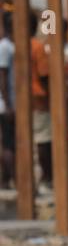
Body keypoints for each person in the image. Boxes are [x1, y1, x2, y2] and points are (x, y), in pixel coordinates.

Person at [30, 11, 52, 191]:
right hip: (39, 98)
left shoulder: (12, 45)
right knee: (43, 140)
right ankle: (46, 177)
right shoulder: (37, 47)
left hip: (19, 101)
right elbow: (45, 74)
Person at [0, 12, 14, 190]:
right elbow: (2, 76)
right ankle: (6, 179)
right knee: (8, 143)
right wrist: (9, 104)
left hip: (9, 103)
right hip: (6, 104)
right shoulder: (5, 47)